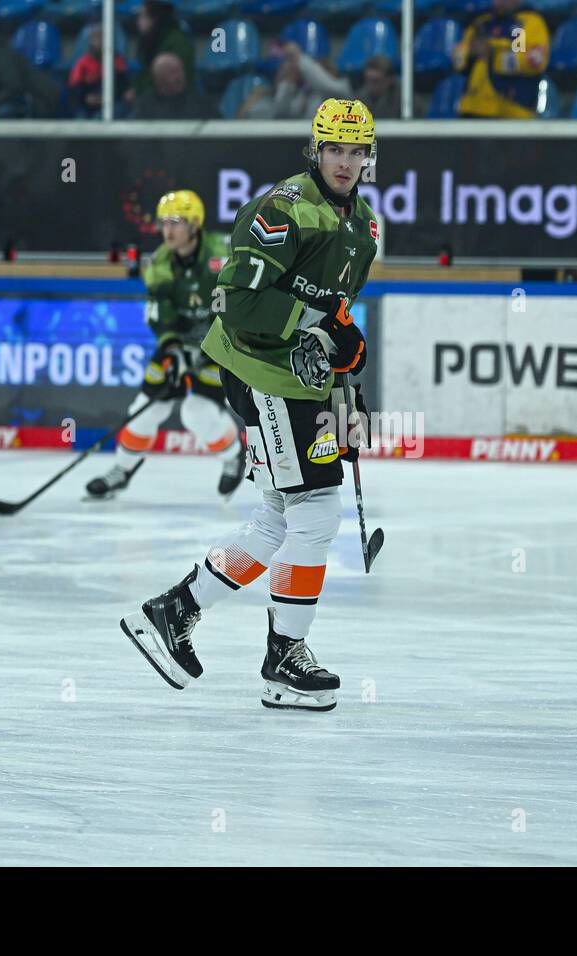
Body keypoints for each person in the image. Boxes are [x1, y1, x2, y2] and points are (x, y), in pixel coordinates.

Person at [119, 99, 379, 713]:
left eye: (356, 150)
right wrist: (320, 329)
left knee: (278, 520)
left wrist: (345, 384)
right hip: (261, 374)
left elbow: (334, 317)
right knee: (315, 511)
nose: (344, 162)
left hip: (298, 386)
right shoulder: (283, 209)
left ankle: (173, 613)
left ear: (369, 156)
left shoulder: (362, 226)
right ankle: (284, 656)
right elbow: (237, 306)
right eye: (334, 149)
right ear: (314, 151)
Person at [86, 190, 245, 500]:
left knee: (196, 411)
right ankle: (122, 468)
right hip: (183, 344)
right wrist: (173, 351)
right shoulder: (159, 263)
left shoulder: (221, 254)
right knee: (145, 408)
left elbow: (238, 305)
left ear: (195, 225)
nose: (167, 231)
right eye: (163, 223)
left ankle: (233, 455)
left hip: (225, 344)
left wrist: (209, 350)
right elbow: (161, 315)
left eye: (176, 222)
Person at [452, 0, 549, 119]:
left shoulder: (529, 22)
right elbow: (457, 59)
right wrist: (470, 53)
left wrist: (494, 54)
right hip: (471, 109)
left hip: (512, 112)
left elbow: (535, 61)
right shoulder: (481, 23)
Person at [127, 0, 196, 103]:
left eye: (142, 16)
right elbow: (146, 74)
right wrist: (137, 90)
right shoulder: (151, 41)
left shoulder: (177, 42)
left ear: (154, 19)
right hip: (151, 100)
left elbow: (180, 80)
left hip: (176, 103)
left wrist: (139, 92)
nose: (138, 22)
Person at [68, 17, 128, 119]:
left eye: (99, 37)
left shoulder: (117, 61)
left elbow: (124, 86)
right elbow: (74, 87)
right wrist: (85, 98)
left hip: (113, 104)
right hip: (88, 106)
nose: (96, 42)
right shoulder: (83, 63)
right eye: (93, 38)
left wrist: (117, 96)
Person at [131, 52, 214, 120]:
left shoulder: (200, 103)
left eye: (181, 70)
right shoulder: (145, 106)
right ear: (158, 77)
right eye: (173, 72)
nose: (179, 76)